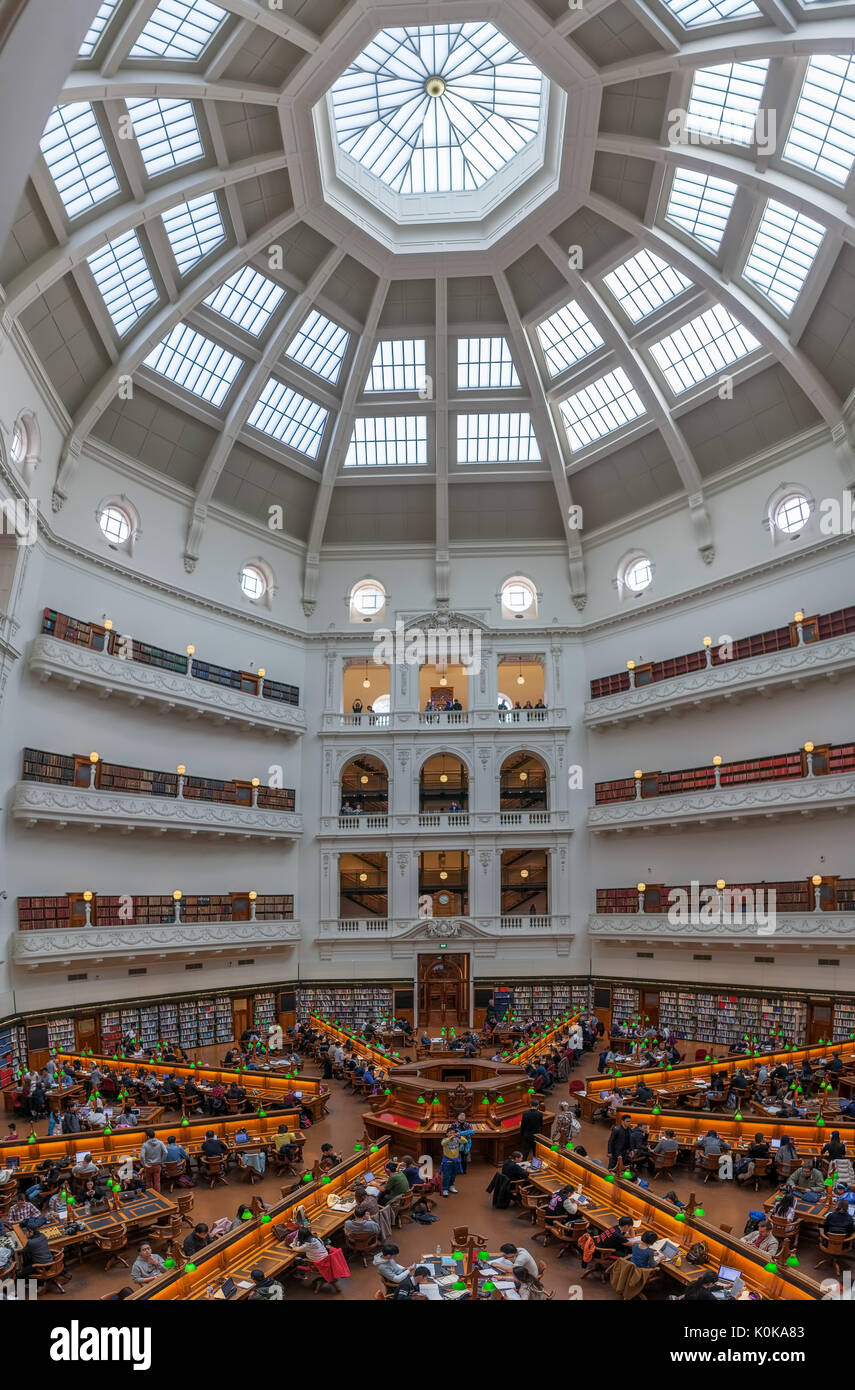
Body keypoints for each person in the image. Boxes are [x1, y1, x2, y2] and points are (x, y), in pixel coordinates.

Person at [439, 1131, 461, 1197]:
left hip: (456, 1160)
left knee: (453, 1175)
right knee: (446, 1176)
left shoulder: (457, 1139)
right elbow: (443, 1144)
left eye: (453, 1133)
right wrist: (450, 1138)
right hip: (447, 1161)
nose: (452, 1134)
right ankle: (445, 1189)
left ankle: (451, 1186)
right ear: (447, 1134)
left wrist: (459, 1136)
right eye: (450, 1133)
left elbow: (464, 1141)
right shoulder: (445, 1140)